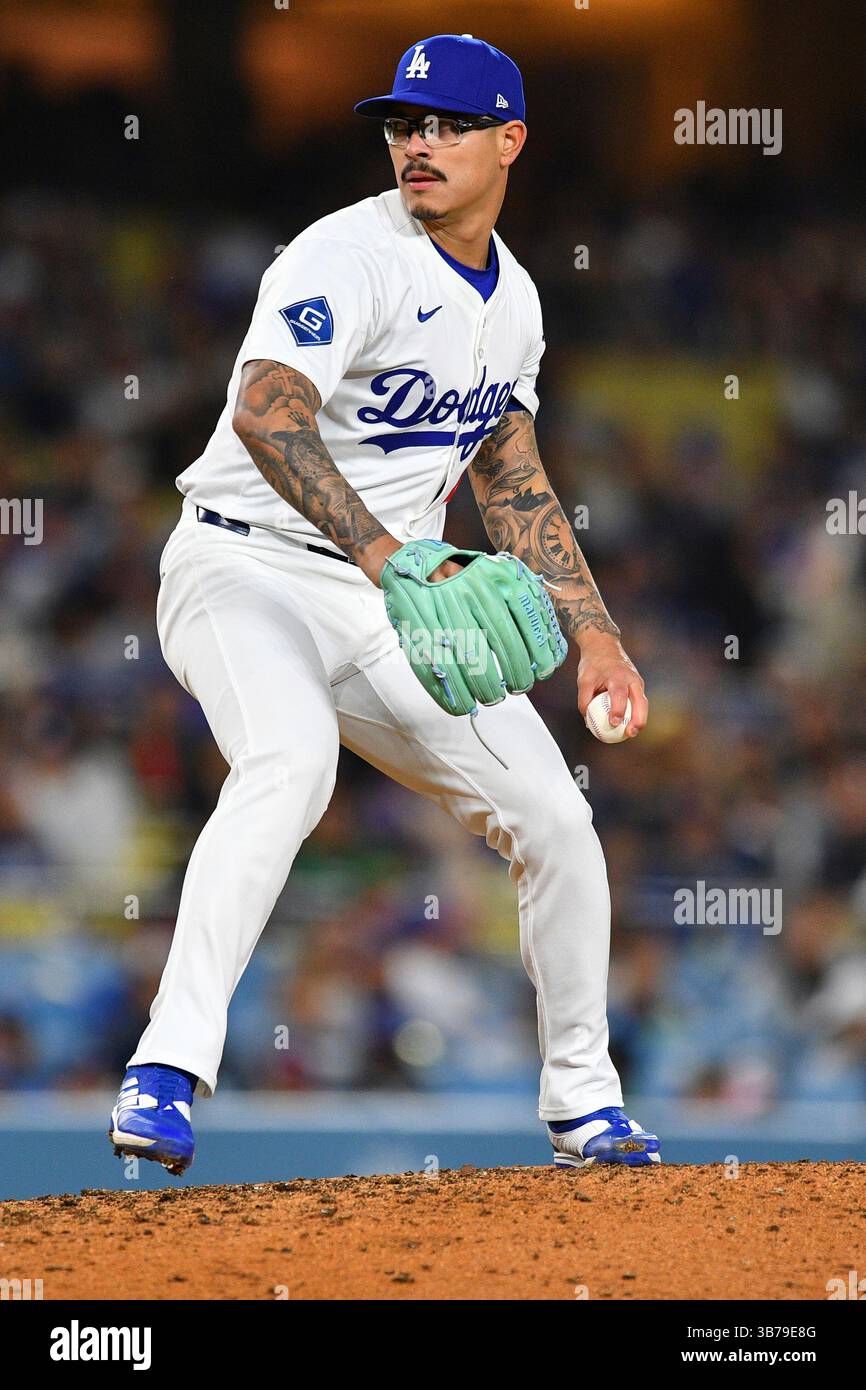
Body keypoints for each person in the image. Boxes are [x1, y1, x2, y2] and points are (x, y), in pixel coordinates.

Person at [109, 33, 660, 1175]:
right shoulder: (342, 256)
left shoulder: (513, 302)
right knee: (291, 762)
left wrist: (596, 637)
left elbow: (509, 471)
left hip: (386, 595)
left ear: (509, 140)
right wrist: (385, 558)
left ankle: (582, 1103)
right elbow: (267, 415)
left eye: (449, 125)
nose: (419, 143)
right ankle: (164, 1069)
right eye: (405, 124)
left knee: (555, 817)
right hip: (241, 566)